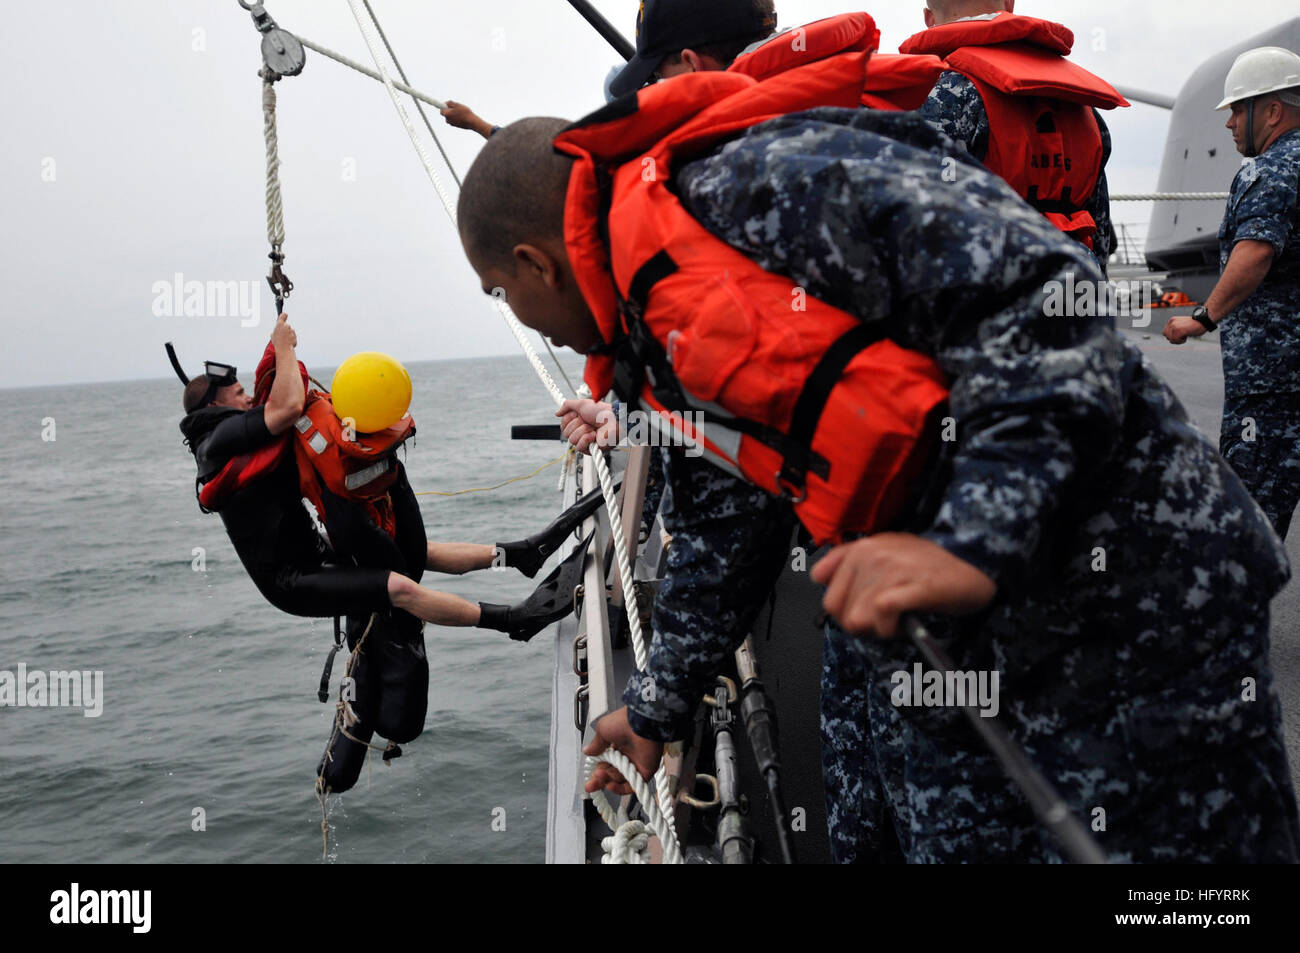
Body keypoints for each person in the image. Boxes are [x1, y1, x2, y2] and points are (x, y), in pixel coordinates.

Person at [454, 60, 1299, 861]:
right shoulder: (653, 328)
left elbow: (1051, 297)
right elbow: (724, 525)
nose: (518, 312)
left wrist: (968, 539)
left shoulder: (766, 183)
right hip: (977, 652)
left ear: (532, 262)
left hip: (1139, 603)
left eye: (500, 291)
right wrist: (655, 706)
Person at [174, 314, 598, 642]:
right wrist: (283, 347)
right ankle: (512, 621)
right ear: (215, 403)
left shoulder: (233, 438)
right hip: (293, 580)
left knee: (415, 551)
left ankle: (518, 555)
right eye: (238, 394)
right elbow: (285, 408)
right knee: (399, 587)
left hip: (317, 551)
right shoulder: (216, 438)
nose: (248, 397)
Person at [440, 1, 943, 137]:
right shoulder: (876, 93)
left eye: (656, 77)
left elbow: (573, 173)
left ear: (691, 64)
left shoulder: (725, 152)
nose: (654, 92)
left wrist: (485, 129)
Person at [1163, 46, 1300, 539]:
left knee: (1248, 525)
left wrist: (1201, 317)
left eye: (1237, 110)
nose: (1229, 124)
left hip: (1273, 381)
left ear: (1272, 111)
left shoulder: (1267, 172)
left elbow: (1257, 250)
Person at [899, 1, 1126, 273]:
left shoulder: (937, 93)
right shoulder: (1079, 101)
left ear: (929, 18)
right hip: (1074, 292)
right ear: (1010, 3)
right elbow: (1099, 227)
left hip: (986, 295)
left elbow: (918, 224)